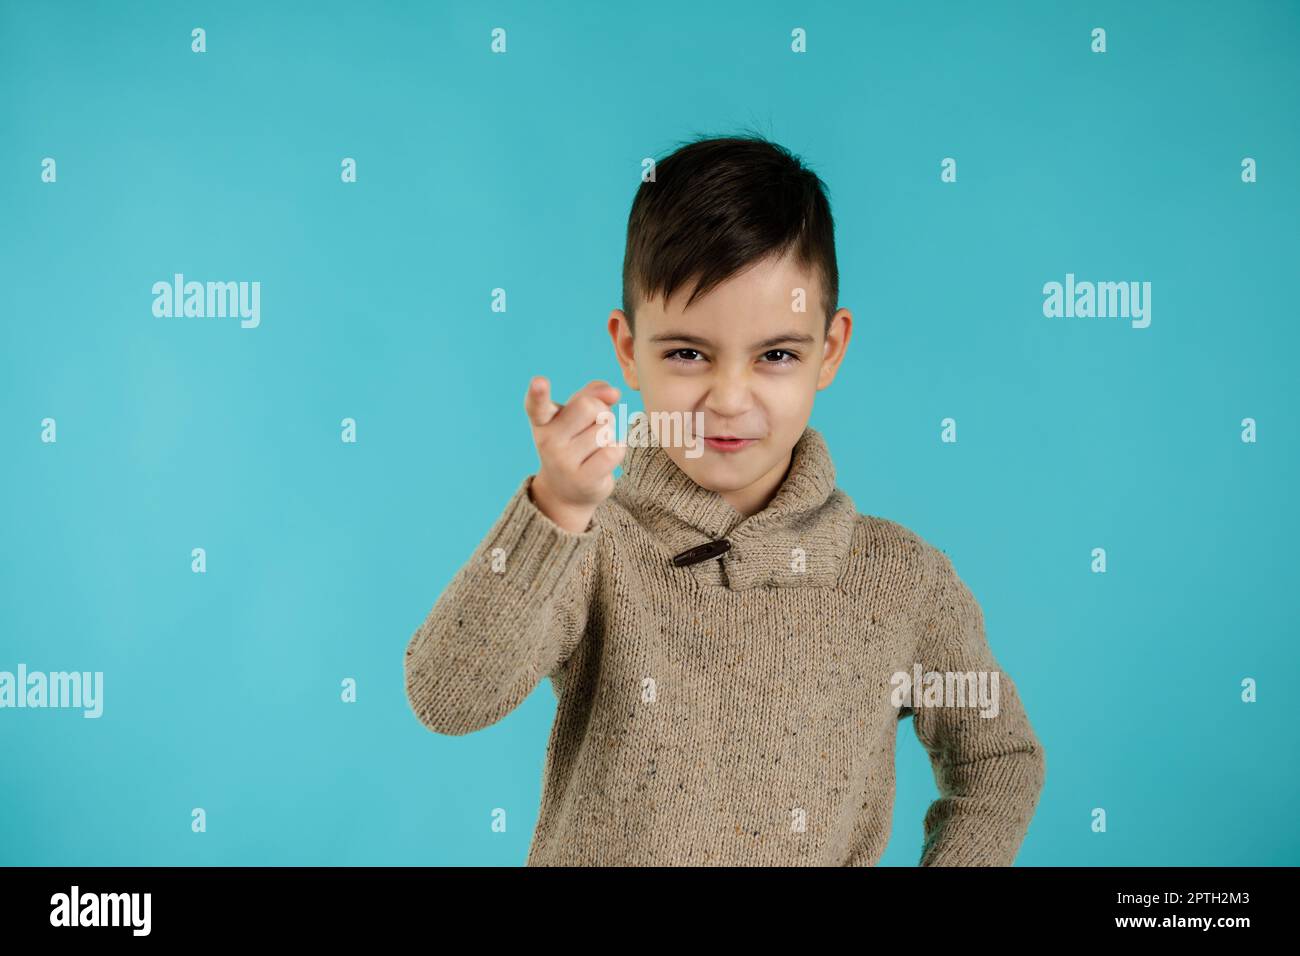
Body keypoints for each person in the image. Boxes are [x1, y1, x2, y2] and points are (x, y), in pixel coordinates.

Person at [404, 133, 1046, 866]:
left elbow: (998, 761)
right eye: (687, 353)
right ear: (628, 349)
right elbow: (447, 696)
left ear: (830, 349)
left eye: (777, 354)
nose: (730, 399)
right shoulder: (593, 548)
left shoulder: (900, 579)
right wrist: (552, 511)